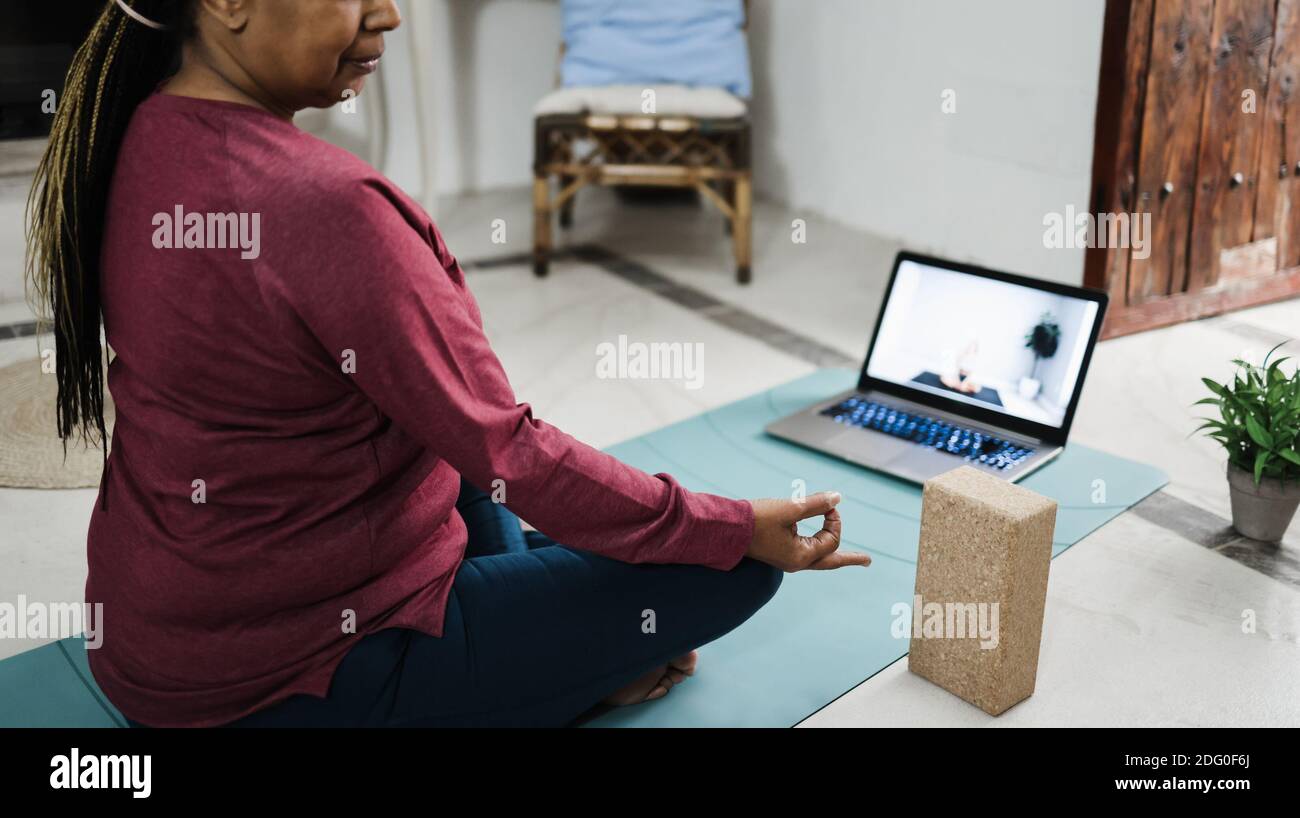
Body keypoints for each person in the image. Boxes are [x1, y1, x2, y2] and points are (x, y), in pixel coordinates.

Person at [24, 0, 870, 728]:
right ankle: (539, 682)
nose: (387, 14)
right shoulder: (325, 204)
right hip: (288, 682)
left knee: (447, 442)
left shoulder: (125, 130)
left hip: (148, 645)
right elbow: (513, 451)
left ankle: (537, 648)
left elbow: (467, 442)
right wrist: (730, 527)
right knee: (736, 571)